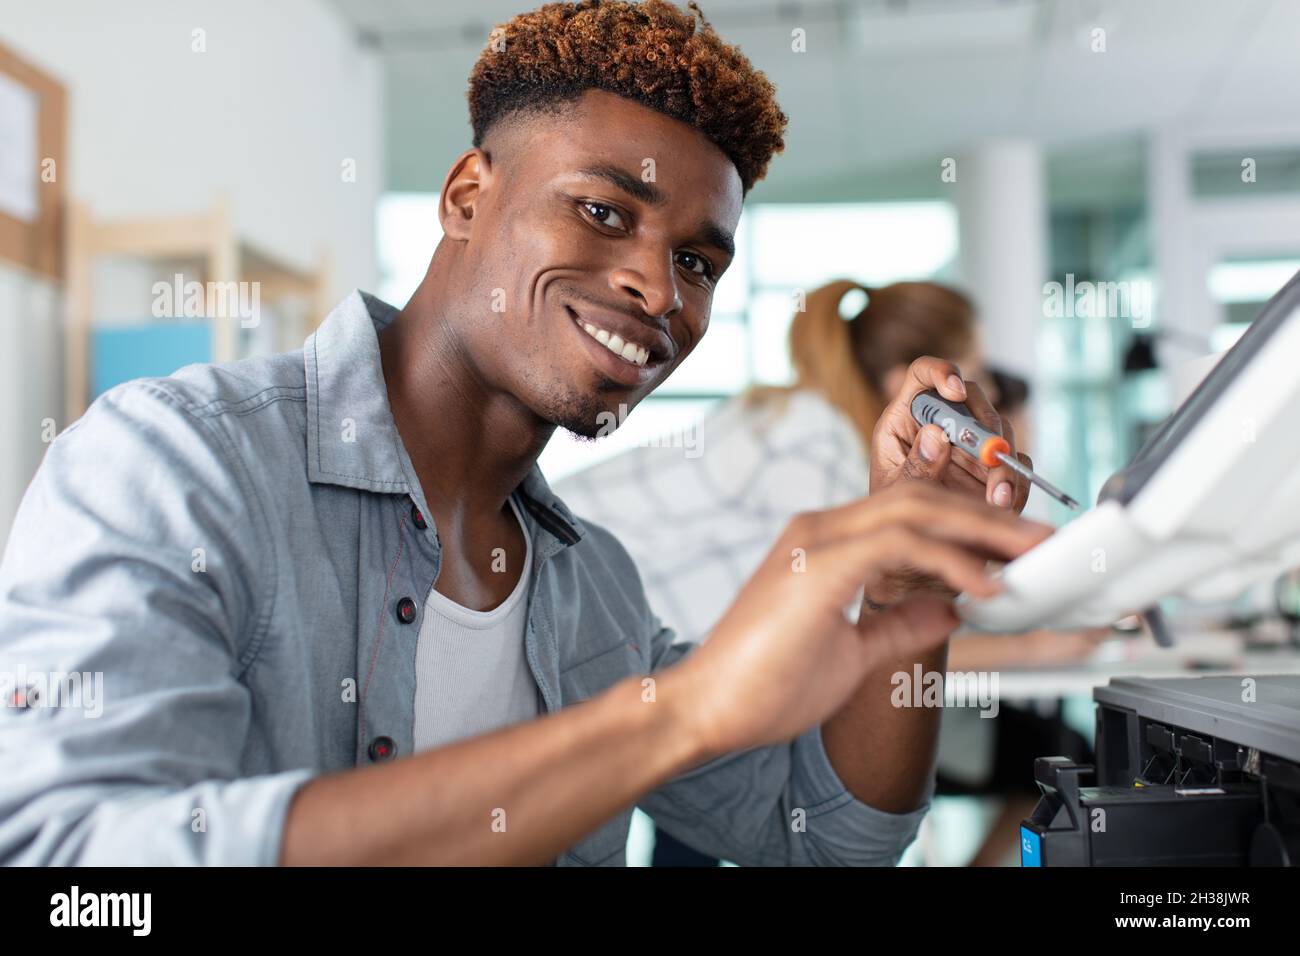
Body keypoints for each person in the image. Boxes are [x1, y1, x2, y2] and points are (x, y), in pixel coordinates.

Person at [0, 1, 1047, 866]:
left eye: (699, 261)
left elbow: (821, 837)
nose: (655, 284)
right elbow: (81, 869)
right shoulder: (173, 463)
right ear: (466, 195)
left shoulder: (594, 592)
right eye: (602, 211)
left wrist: (911, 591)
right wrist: (669, 716)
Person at [556, 279, 1103, 865]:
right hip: (583, 619)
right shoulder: (819, 445)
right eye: (974, 374)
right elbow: (852, 646)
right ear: (915, 392)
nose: (987, 394)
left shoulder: (810, 422)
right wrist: (1035, 647)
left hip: (638, 642)